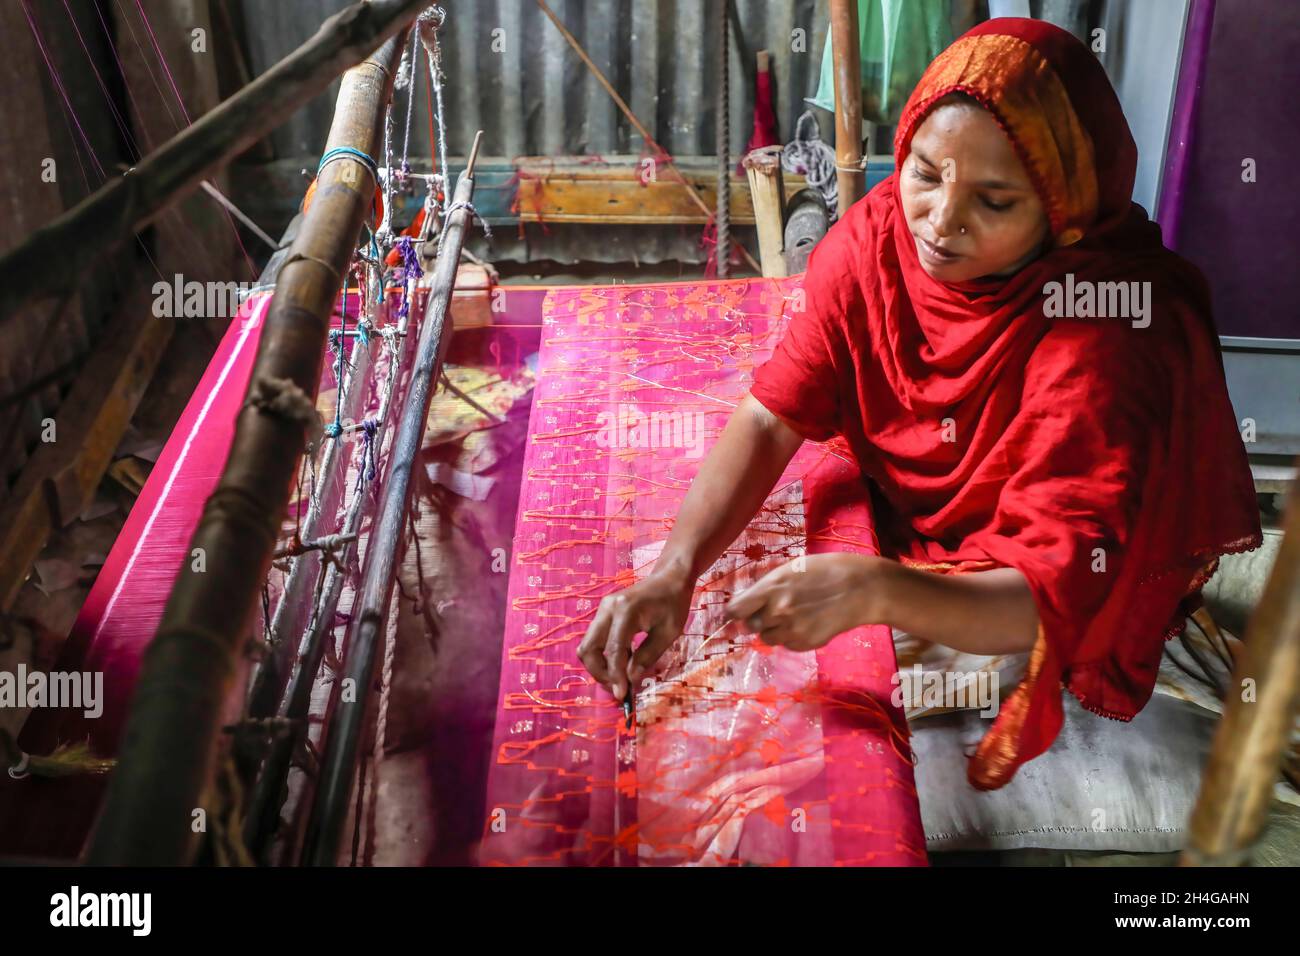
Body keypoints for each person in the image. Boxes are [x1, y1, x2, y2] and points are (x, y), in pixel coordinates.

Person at [577, 18, 1261, 789]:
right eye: (926, 172)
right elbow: (774, 414)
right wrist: (673, 571)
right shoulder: (879, 239)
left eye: (994, 201)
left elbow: (1054, 597)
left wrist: (874, 589)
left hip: (1032, 591)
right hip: (928, 543)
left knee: (794, 741)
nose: (940, 221)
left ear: (1064, 212)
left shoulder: (1106, 333)